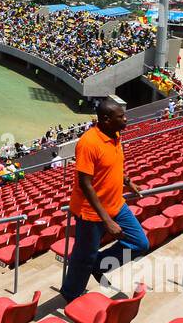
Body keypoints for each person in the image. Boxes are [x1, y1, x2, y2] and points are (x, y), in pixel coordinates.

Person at [60, 97, 148, 301]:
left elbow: (111, 165)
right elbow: (85, 183)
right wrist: (106, 220)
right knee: (83, 257)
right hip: (91, 213)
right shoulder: (89, 143)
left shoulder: (115, 134)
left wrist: (127, 181)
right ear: (107, 119)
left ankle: (100, 264)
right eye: (121, 117)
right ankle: (71, 295)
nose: (126, 119)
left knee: (140, 243)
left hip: (117, 205)